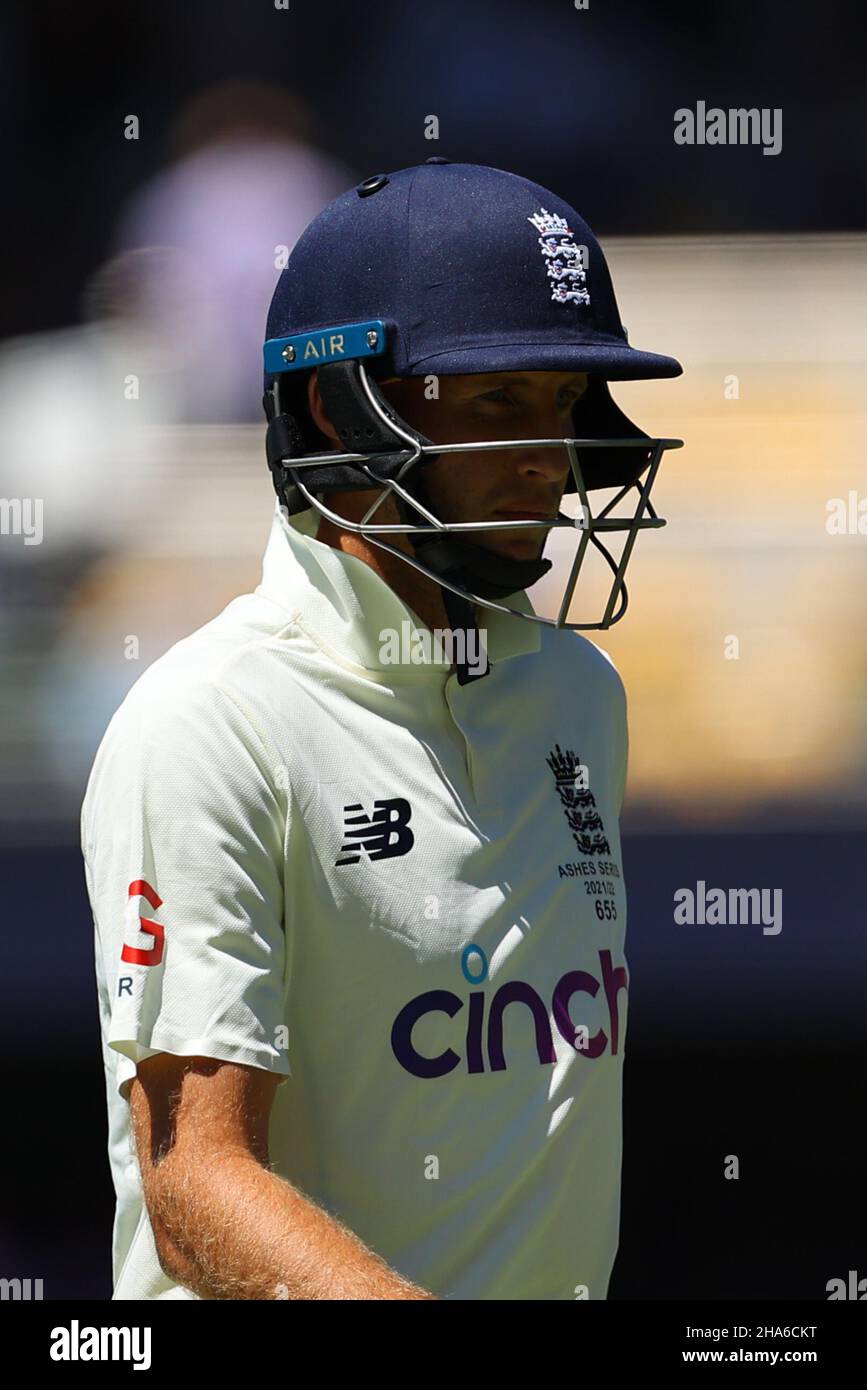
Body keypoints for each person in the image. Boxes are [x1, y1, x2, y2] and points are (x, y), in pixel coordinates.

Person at [81, 158, 682, 1300]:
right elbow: (195, 1192)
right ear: (337, 403)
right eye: (500, 402)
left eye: (562, 404)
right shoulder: (210, 723)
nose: (549, 459)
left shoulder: (577, 696)